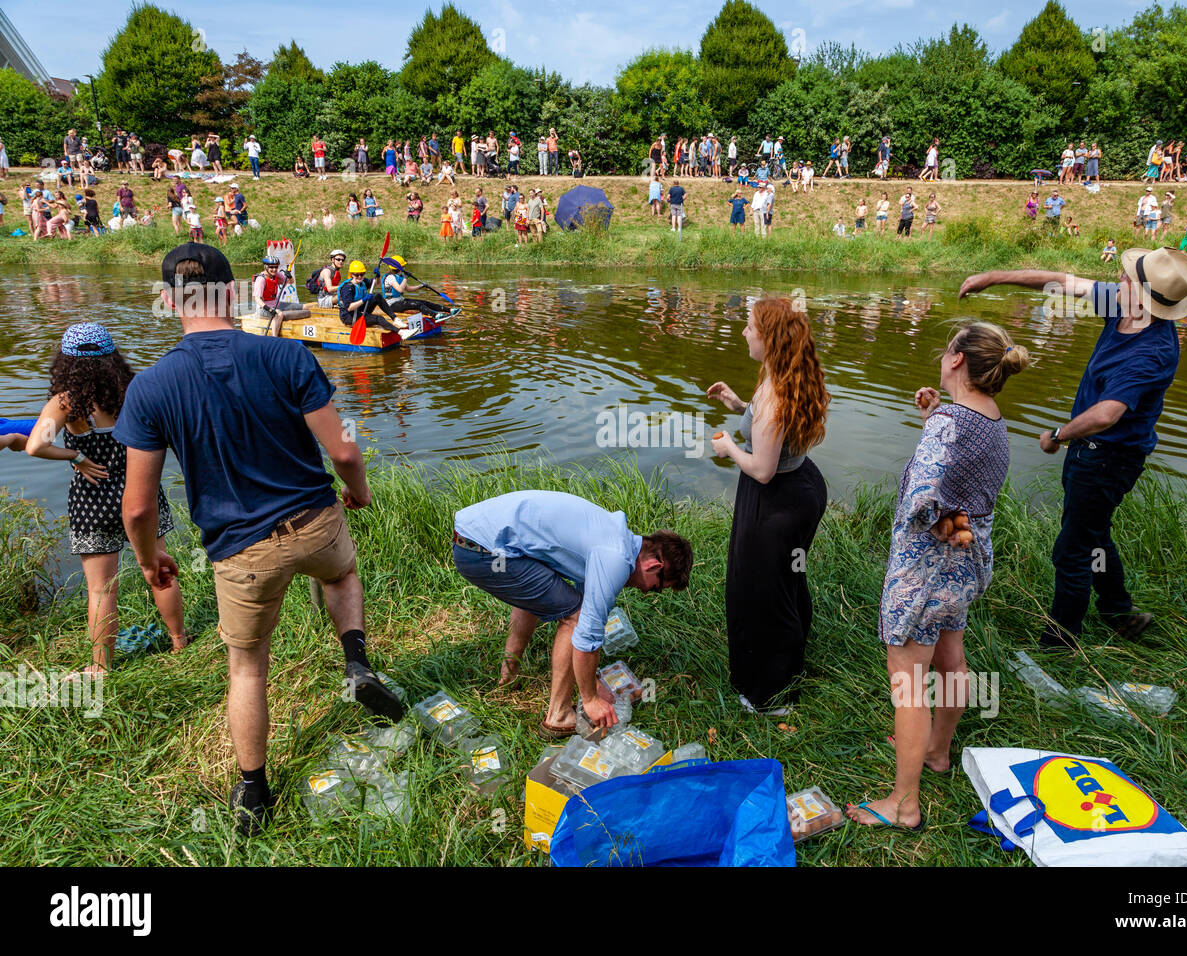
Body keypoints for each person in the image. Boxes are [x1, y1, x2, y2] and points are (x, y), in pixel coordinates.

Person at [117, 243, 401, 834]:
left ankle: (252, 790)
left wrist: (150, 560)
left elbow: (139, 505)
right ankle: (355, 663)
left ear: (170, 300)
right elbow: (344, 450)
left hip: (241, 550)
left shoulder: (150, 386)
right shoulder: (287, 355)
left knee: (247, 668)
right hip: (316, 522)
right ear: (236, 292)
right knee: (342, 574)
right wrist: (360, 491)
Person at [958, 247, 1187, 649]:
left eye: (1126, 279)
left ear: (1143, 296)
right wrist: (994, 276)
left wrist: (1058, 434)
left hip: (1109, 458)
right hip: (1092, 451)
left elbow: (1107, 413)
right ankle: (1119, 612)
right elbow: (1062, 281)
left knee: (1072, 551)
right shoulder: (1125, 307)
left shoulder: (1153, 351)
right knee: (1094, 533)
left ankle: (1060, 644)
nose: (1117, 280)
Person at [851, 321, 1029, 832]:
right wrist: (933, 416)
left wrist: (935, 429)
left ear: (955, 359)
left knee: (908, 683)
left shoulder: (949, 424)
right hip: (968, 568)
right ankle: (937, 751)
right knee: (950, 656)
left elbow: (922, 498)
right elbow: (962, 474)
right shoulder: (991, 419)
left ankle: (903, 804)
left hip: (925, 572)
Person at [451, 490, 693, 735]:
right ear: (654, 566)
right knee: (574, 616)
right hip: (483, 553)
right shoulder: (616, 559)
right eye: (656, 588)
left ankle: (508, 674)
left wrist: (594, 680)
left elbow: (587, 605)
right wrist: (590, 699)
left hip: (476, 540)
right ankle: (558, 716)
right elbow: (586, 634)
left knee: (542, 592)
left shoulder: (613, 535)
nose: (645, 592)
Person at [25, 323, 189, 674]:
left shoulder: (66, 402)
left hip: (91, 500)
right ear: (112, 357)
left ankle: (101, 667)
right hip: (140, 492)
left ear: (66, 361)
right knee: (159, 569)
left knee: (101, 588)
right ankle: (179, 641)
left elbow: (35, 445)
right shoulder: (133, 391)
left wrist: (76, 457)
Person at [708, 298, 829, 715]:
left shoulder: (777, 391)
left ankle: (772, 697)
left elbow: (761, 468)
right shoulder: (787, 375)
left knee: (763, 593)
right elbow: (772, 426)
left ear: (769, 337)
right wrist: (741, 406)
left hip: (777, 500)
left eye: (749, 327)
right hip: (800, 485)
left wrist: (728, 448)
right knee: (786, 582)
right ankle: (789, 668)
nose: (744, 332)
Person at [338, 259, 404, 331]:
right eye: (357, 275)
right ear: (352, 275)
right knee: (379, 318)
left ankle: (395, 319)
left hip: (359, 310)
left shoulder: (363, 282)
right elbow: (349, 308)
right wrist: (363, 300)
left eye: (362, 274)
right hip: (348, 316)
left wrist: (378, 276)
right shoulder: (348, 288)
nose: (360, 276)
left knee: (377, 296)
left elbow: (376, 282)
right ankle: (400, 332)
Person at [381, 255, 449, 319]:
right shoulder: (390, 277)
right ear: (402, 267)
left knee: (424, 302)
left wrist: (421, 286)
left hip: (400, 301)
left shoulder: (399, 276)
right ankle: (436, 316)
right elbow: (400, 290)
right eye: (404, 266)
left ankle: (448, 310)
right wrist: (406, 278)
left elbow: (408, 289)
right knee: (418, 304)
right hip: (391, 304)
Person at [252, 256, 291, 336]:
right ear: (266, 267)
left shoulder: (276, 275)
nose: (274, 269)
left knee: (303, 307)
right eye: (271, 267)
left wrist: (289, 276)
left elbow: (290, 282)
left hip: (276, 304)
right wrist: (268, 309)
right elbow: (257, 298)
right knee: (279, 314)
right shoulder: (261, 279)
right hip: (263, 309)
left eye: (276, 267)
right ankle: (274, 337)